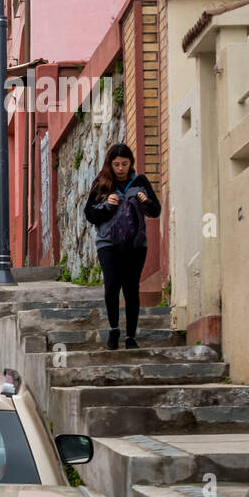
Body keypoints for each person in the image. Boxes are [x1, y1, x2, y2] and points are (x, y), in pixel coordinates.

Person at [83, 143, 161, 349]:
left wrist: (146, 202)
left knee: (131, 288)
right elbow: (90, 214)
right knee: (112, 285)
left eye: (124, 164)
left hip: (135, 243)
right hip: (107, 243)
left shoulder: (140, 181)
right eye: (116, 164)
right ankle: (114, 330)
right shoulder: (101, 183)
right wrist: (107, 204)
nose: (120, 168)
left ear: (131, 163)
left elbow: (156, 211)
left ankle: (131, 337)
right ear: (110, 164)